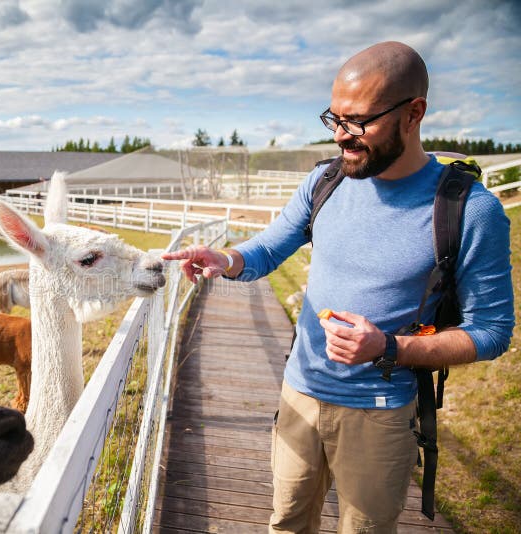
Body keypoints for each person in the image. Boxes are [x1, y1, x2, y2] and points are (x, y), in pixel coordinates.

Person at [162, 41, 514, 532]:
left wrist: (388, 347)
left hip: (380, 414)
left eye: (359, 122)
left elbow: (493, 330)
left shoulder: (471, 211)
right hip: (298, 394)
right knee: (285, 522)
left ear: (414, 114)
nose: (341, 138)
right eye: (335, 119)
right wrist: (226, 258)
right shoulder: (325, 182)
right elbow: (268, 248)